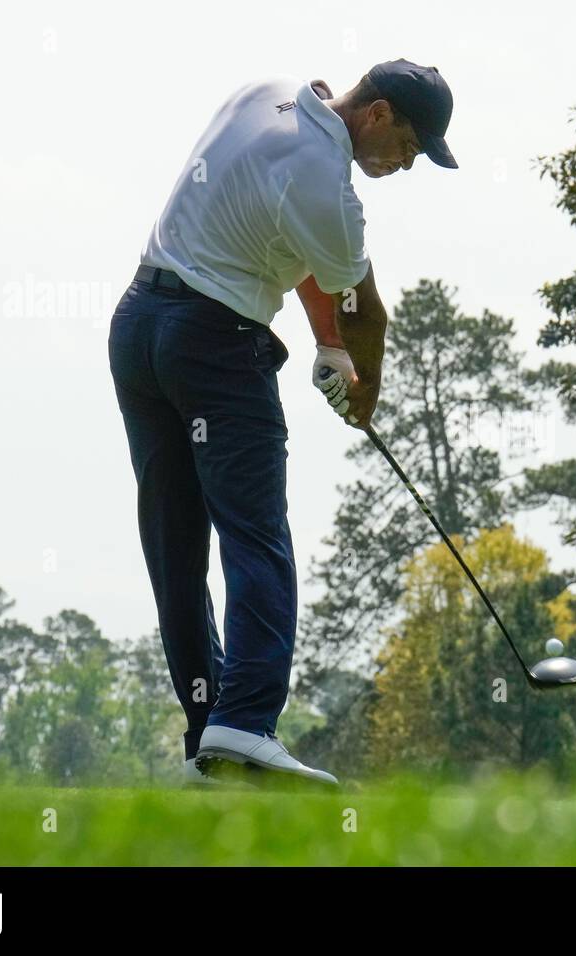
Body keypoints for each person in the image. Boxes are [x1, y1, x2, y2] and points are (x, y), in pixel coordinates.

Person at [109, 60, 457, 786]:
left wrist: (326, 345)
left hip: (140, 328)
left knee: (176, 545)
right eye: (412, 148)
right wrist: (365, 390)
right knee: (256, 534)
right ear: (381, 115)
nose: (405, 165)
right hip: (213, 347)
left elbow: (286, 239)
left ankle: (211, 729)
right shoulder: (329, 184)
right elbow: (366, 309)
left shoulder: (264, 95)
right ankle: (247, 719)